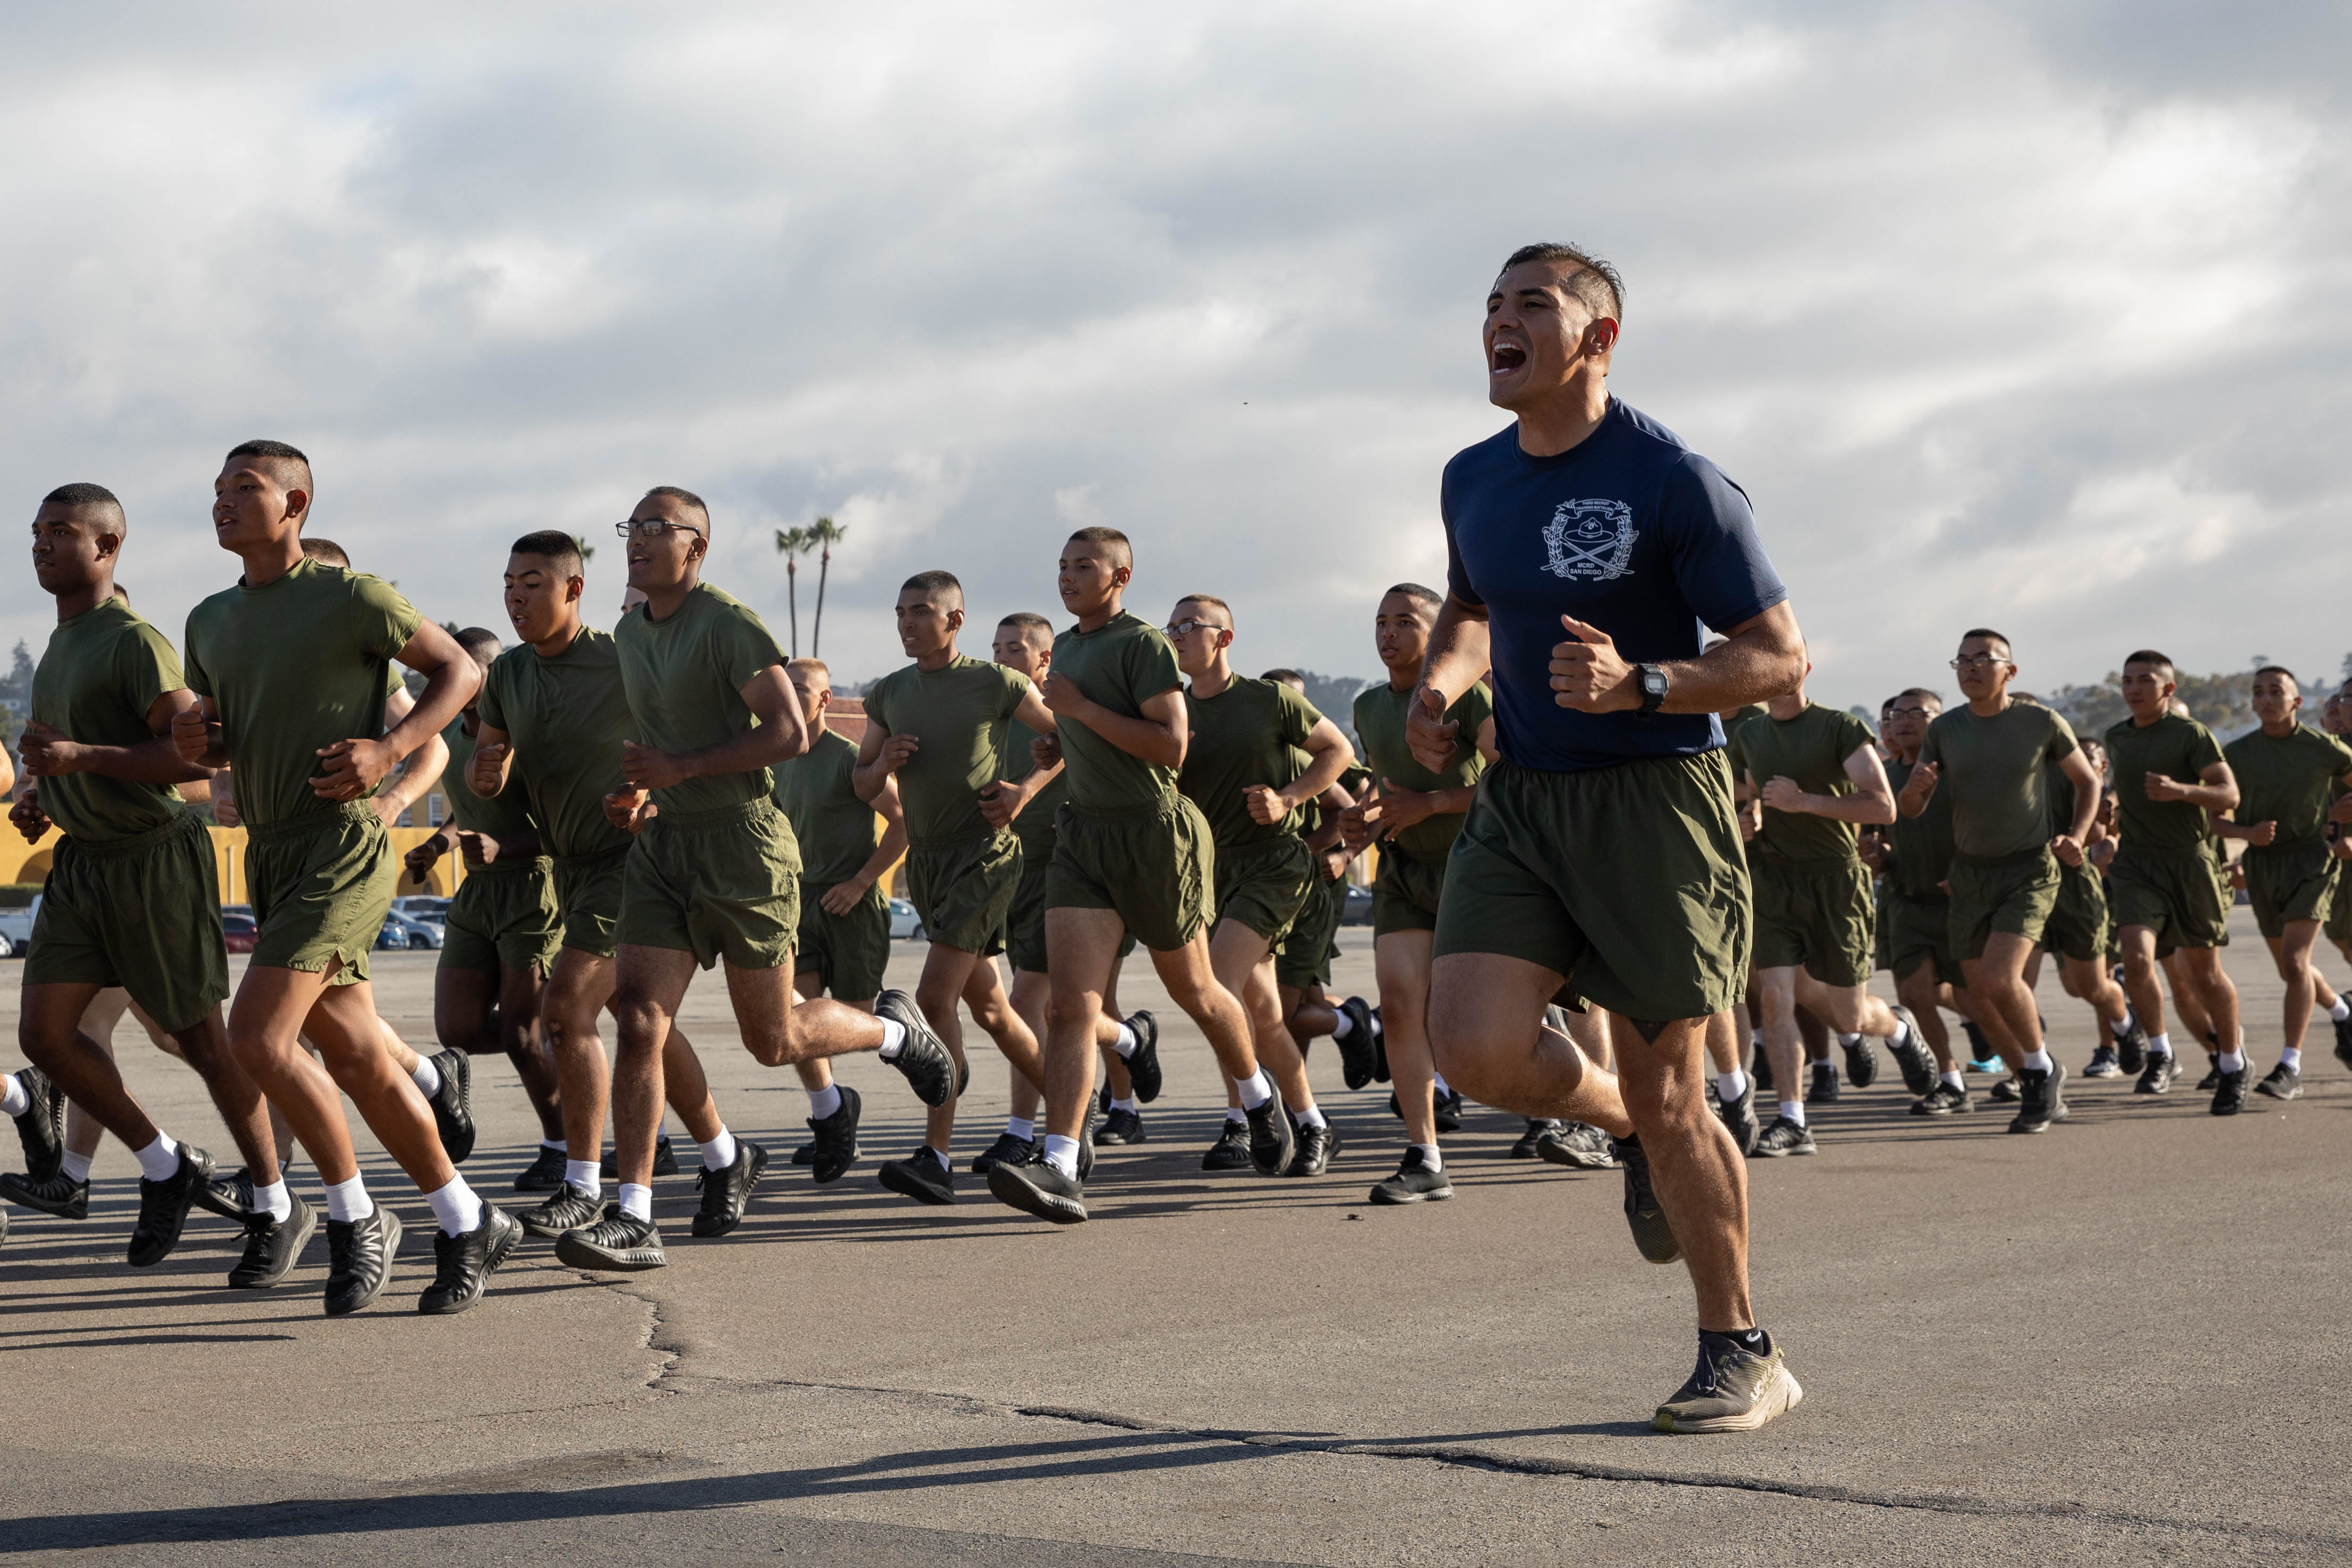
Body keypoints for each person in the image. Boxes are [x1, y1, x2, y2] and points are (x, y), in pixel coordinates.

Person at [1410, 243, 1807, 1432]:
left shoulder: (1675, 478)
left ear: (1598, 336)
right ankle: (1620, 1126)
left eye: (1533, 303)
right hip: (1524, 796)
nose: (1500, 319)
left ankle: (1742, 1348)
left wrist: (1642, 682)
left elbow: (1779, 657)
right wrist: (1439, 685)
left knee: (1674, 1087)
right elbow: (1472, 613)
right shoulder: (1470, 477)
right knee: (1471, 1049)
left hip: (1655, 801)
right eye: (1491, 302)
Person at [552, 487, 955, 1271]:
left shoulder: (727, 624)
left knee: (775, 1038)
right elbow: (652, 728)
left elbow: (791, 732)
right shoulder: (633, 632)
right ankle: (634, 1213)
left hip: (746, 847)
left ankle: (896, 1032)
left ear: (696, 548)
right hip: (667, 848)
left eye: (655, 528)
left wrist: (683, 767)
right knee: (638, 1021)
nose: (637, 540)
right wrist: (640, 788)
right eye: (629, 528)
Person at [174, 440, 514, 1315]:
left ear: (294, 506)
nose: (223, 501)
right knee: (360, 1056)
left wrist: (391, 751)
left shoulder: (352, 596)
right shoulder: (208, 620)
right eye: (216, 488)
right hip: (273, 847)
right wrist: (201, 745)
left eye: (244, 488)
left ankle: (354, 1216)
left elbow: (459, 670)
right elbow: (221, 730)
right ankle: (466, 1215)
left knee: (257, 1037)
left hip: (342, 844)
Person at [0, 484, 291, 1284]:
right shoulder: (62, 643)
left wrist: (82, 762)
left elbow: (195, 761)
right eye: (36, 532)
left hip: (154, 861)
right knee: (47, 1037)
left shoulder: (133, 640)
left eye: (62, 532)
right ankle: (167, 1163)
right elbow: (85, 754)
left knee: (201, 1040)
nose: (42, 544)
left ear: (107, 547)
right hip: (84, 864)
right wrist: (46, 795)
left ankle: (273, 1201)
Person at [986, 528, 1297, 1224]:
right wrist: (1059, 740)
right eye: (1062, 566)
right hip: (1085, 835)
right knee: (1069, 1006)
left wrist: (1082, 712)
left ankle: (1254, 1093)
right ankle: (1062, 1163)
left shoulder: (1142, 645)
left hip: (1154, 834)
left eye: (1085, 566)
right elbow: (1084, 729)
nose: (1068, 577)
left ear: (1121, 576)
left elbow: (1170, 743)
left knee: (1194, 988)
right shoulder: (1066, 647)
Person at [854, 571, 1060, 1203]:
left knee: (931, 999)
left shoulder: (996, 681)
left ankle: (935, 1157)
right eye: (900, 613)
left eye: (921, 612)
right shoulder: (889, 693)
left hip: (985, 856)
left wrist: (1022, 791)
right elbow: (861, 783)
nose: (907, 624)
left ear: (955, 620)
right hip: (929, 864)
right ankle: (1072, 1115)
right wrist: (882, 765)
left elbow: (1066, 741)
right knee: (993, 1011)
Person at [1162, 594, 1357, 1176]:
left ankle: (1251, 1113)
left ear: (1223, 637)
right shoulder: (1170, 710)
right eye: (1170, 626)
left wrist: (1289, 797)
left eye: (1188, 626)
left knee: (1214, 984)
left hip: (1273, 865)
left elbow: (1339, 751)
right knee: (1263, 1013)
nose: (1175, 635)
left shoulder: (1269, 699)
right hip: (1208, 873)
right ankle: (1314, 1123)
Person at [1898, 631, 2105, 1135]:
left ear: (2009, 671)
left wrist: (2076, 836)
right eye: (1961, 661)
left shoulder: (2040, 722)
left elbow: (2088, 781)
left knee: (1998, 978)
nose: (1969, 668)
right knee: (1979, 994)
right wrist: (1917, 790)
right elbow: (1907, 809)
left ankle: (2039, 1066)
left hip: (2029, 869)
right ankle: (2034, 1072)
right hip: (1970, 873)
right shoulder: (1945, 729)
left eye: (1982, 660)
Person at [1345, 583, 1505, 1203]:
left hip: (1476, 867)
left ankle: (1566, 1112)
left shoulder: (1468, 695)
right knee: (1399, 1001)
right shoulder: (1365, 706)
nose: (1387, 633)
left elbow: (1513, 776)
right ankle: (1425, 1152)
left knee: (1484, 1014)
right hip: (1404, 870)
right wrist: (1362, 821)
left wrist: (1432, 803)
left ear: (1439, 634)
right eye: (1380, 622)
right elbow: (1382, 788)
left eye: (1404, 622)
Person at [1730, 669, 1925, 1155]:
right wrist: (1745, 819)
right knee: (1775, 997)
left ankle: (1898, 1028)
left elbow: (1882, 808)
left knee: (1849, 1014)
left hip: (1836, 881)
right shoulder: (1751, 733)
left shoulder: (1838, 728)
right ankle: (1792, 1119)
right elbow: (1744, 795)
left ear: (1802, 671)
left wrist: (1803, 803)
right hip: (1775, 882)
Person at [985, 612, 1153, 1169]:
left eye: (1014, 648)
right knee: (1068, 1008)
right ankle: (1129, 1045)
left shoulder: (1063, 709)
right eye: (997, 647)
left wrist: (1028, 792)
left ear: (1043, 659)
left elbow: (1066, 756)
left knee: (1042, 1002)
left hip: (1074, 864)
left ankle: (1035, 1128)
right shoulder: (995, 710)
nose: (1003, 657)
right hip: (1015, 869)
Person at [402, 627, 568, 1188]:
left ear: (495, 674)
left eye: (472, 670)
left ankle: (562, 1144)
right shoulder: (450, 729)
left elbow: (564, 826)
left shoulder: (529, 735)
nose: (460, 680)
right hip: (477, 892)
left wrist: (507, 847)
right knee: (459, 1028)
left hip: (532, 887)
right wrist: (439, 844)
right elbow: (468, 810)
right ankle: (566, 1039)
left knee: (522, 1035)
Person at [775, 657, 907, 1180]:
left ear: (825, 699)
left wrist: (860, 883)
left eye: (800, 688)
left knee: (853, 1014)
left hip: (851, 904)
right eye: (782, 687)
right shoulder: (776, 758)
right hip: (795, 904)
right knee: (794, 1019)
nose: (788, 696)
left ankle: (904, 1033)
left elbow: (901, 825)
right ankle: (831, 1114)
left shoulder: (848, 758)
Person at [2102, 652, 2245, 1111]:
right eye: (2126, 681)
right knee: (2136, 957)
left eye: (2145, 680)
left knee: (2204, 975)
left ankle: (2231, 1061)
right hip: (2136, 865)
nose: (2133, 688)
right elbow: (2120, 792)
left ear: (2168, 688)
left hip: (2189, 864)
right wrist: (2111, 813)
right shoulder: (2116, 737)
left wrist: (2181, 791)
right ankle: (2160, 1053)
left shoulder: (2191, 734)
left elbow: (2229, 794)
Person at [2212, 667, 2352, 1100]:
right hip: (2261, 865)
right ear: (2251, 704)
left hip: (2312, 861)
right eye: (2258, 693)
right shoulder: (2235, 753)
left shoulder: (2324, 748)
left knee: (2294, 963)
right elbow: (2208, 814)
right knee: (2289, 968)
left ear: (2297, 702)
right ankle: (2343, 1011)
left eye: (2277, 691)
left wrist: (2342, 825)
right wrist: (2244, 837)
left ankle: (2289, 1064)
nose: (2266, 698)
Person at [1866, 689, 1977, 1115]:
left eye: (1917, 712)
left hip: (1959, 900)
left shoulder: (1956, 771)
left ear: (1939, 720)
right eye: (1896, 713)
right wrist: (1879, 858)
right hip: (1906, 900)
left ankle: (2029, 1063)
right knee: (1913, 994)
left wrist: (1965, 872)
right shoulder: (1885, 777)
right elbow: (1882, 842)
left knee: (1977, 999)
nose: (1904, 721)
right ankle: (1950, 1082)